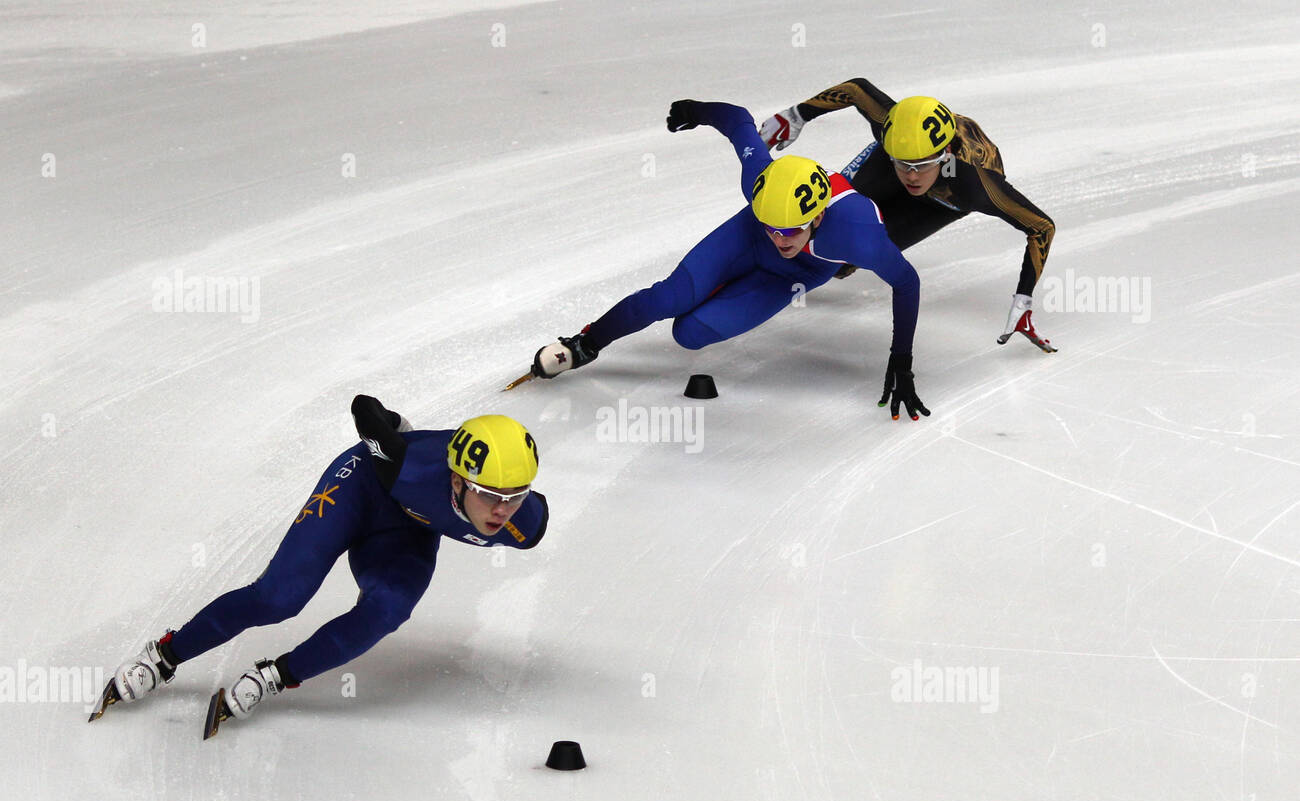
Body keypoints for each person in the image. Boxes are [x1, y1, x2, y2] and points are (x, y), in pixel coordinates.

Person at [91, 395, 548, 736]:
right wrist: (395, 434)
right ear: (457, 478)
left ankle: (278, 676)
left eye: (515, 496)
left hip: (405, 531)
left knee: (388, 610)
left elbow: (513, 504)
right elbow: (365, 408)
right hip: (361, 491)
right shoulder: (412, 467)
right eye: (489, 494)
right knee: (279, 597)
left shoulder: (523, 524)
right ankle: (166, 655)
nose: (501, 510)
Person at [528, 99, 931, 421]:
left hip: (798, 273)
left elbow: (906, 282)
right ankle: (585, 343)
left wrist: (902, 360)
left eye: (790, 230)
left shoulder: (860, 235)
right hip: (745, 237)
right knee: (667, 298)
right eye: (773, 225)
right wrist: (696, 110)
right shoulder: (759, 184)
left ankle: (714, 290)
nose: (780, 238)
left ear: (818, 217)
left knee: (689, 334)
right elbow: (739, 121)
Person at [759, 78, 1058, 352]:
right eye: (905, 165)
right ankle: (758, 257)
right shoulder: (893, 129)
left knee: (844, 260)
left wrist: (1024, 299)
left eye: (922, 165)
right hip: (892, 161)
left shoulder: (974, 184)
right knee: (832, 217)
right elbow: (855, 89)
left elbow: (1041, 227)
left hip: (944, 201)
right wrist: (796, 115)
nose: (912, 177)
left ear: (946, 156)